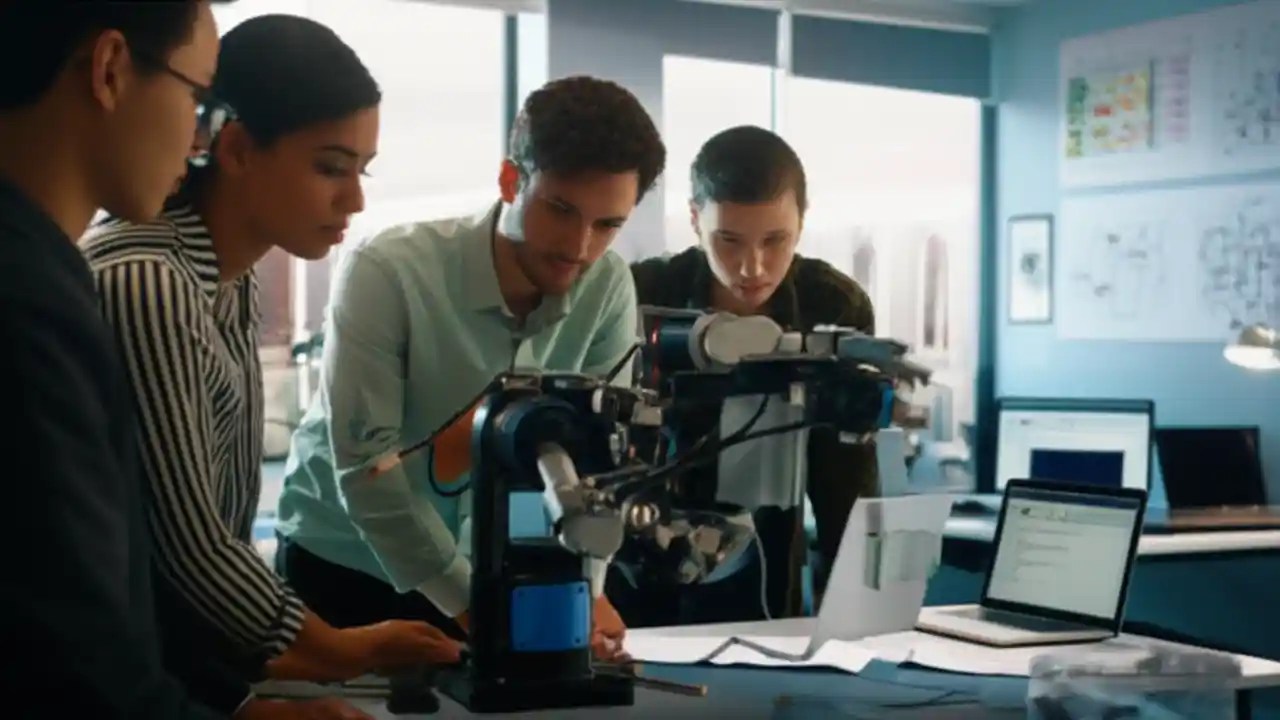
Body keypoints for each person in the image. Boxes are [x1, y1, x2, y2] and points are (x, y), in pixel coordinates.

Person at [79, 13, 460, 709]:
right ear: (236, 147)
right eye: (330, 168)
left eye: (362, 171)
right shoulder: (150, 281)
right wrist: (343, 648)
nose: (356, 199)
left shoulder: (233, 275)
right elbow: (191, 552)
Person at [275, 75, 666, 659]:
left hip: (498, 571)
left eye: (608, 225)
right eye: (561, 210)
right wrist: (474, 606)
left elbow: (600, 462)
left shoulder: (608, 287)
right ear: (512, 180)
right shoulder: (387, 271)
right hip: (345, 568)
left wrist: (586, 588)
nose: (579, 247)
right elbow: (366, 471)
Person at [618, 124, 877, 626]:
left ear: (802, 222)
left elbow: (843, 476)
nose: (752, 267)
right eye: (729, 240)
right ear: (695, 220)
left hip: (767, 571)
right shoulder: (641, 293)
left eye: (775, 240)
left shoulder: (833, 306)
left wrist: (852, 619)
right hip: (639, 566)